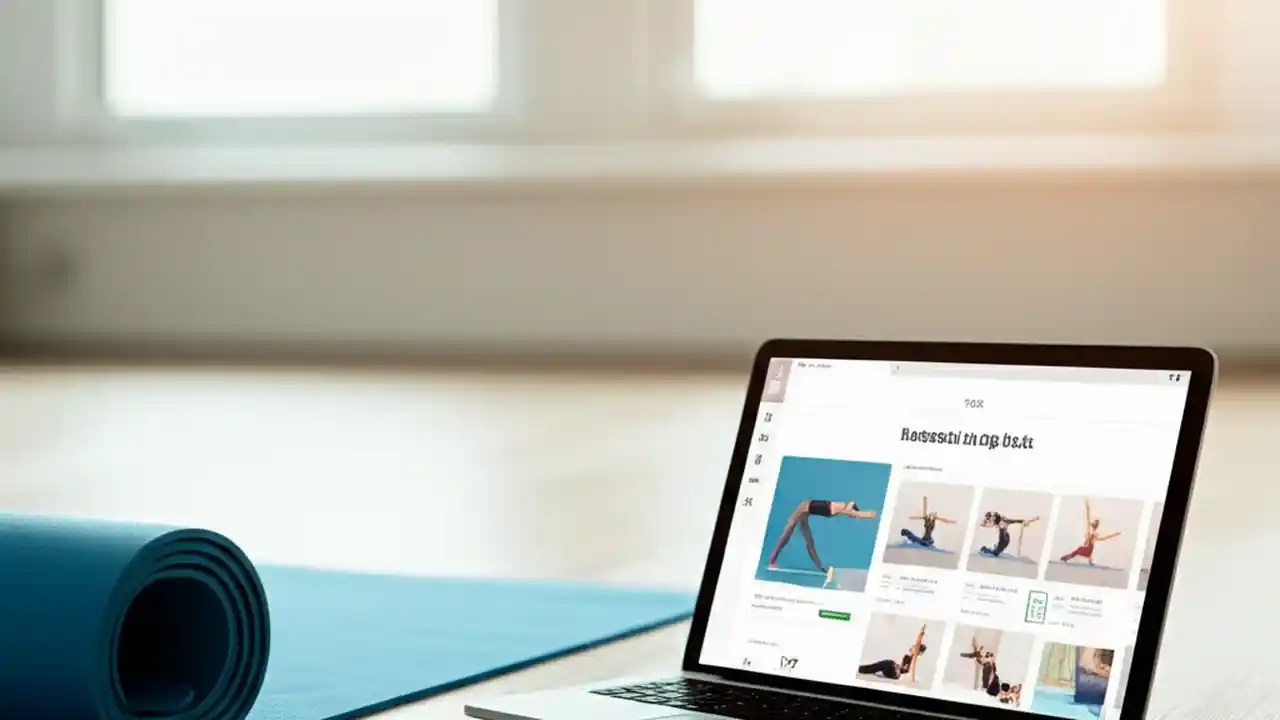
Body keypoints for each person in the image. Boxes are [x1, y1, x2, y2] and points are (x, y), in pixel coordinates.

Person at [767, 500, 877, 572]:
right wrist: (868, 514)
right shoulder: (843, 508)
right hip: (806, 509)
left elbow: (855, 512)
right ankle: (772, 561)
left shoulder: (840, 508)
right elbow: (857, 513)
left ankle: (820, 566)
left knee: (810, 542)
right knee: (785, 538)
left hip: (807, 510)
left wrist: (861, 514)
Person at [959, 635, 1020, 705]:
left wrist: (985, 687)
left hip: (992, 686)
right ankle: (975, 650)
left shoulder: (988, 666)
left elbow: (986, 677)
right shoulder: (989, 665)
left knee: (981, 658)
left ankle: (975, 650)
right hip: (993, 685)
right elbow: (988, 676)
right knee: (980, 657)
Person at [1060, 499, 1121, 566]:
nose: (1093, 522)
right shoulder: (1090, 530)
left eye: (1094, 522)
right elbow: (1088, 517)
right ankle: (1066, 559)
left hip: (1087, 550)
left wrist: (1115, 534)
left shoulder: (1093, 533)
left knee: (1078, 551)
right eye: (1094, 522)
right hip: (1087, 550)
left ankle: (1066, 558)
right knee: (1077, 551)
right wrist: (1087, 507)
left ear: (1095, 525)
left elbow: (1103, 538)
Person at [859, 625, 928, 682]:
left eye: (914, 647)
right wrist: (898, 666)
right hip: (894, 670)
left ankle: (862, 669)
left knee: (888, 663)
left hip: (895, 673)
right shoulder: (908, 656)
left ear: (917, 651)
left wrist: (922, 632)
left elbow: (918, 642)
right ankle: (862, 668)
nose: (912, 647)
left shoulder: (915, 657)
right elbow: (902, 667)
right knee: (886, 663)